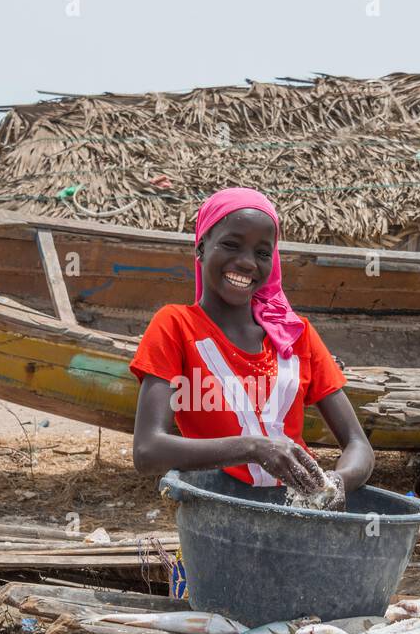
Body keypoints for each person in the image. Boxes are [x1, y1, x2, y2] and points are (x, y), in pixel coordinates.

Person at [130, 187, 373, 502]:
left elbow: (358, 445)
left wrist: (337, 481)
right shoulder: (176, 326)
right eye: (231, 245)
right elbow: (147, 451)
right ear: (201, 247)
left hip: (298, 511)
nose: (246, 262)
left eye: (262, 253)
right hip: (216, 512)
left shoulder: (295, 336)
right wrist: (255, 448)